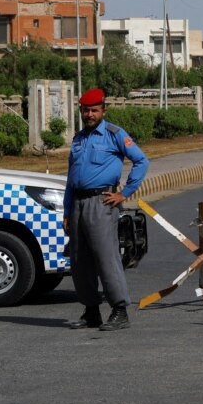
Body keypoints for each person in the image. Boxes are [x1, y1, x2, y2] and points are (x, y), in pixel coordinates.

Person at [63, 88, 149, 331]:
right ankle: (91, 311)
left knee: (106, 258)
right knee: (79, 261)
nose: (89, 114)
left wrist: (124, 193)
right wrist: (67, 210)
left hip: (101, 202)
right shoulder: (78, 138)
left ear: (103, 111)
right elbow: (71, 177)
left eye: (94, 110)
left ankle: (119, 311)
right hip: (78, 203)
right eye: (85, 110)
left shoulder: (114, 134)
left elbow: (142, 161)